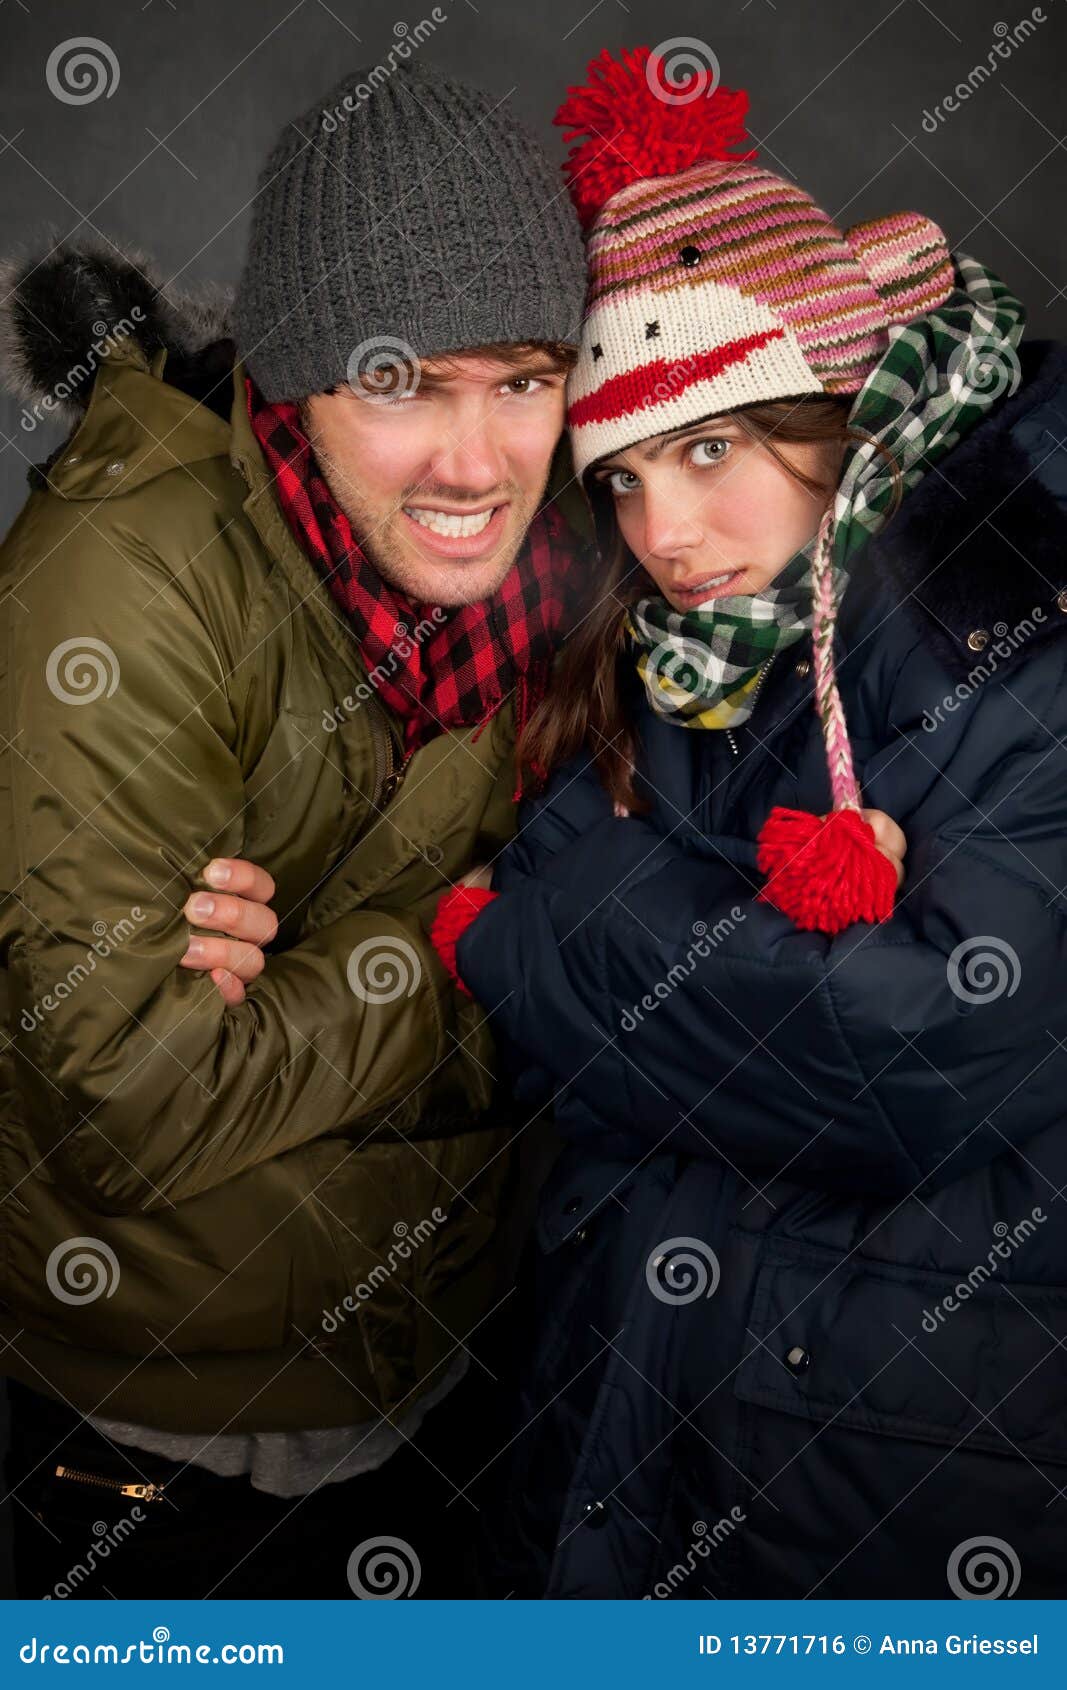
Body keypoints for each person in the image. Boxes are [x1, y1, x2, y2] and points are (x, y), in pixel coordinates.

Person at [428, 46, 1067, 1598]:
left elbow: (924, 1048)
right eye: (627, 478)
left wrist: (533, 940)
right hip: (634, 1411)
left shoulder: (1010, 612)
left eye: (710, 449)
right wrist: (723, 957)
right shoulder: (689, 646)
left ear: (832, 402)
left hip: (875, 1468)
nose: (666, 535)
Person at [0, 61, 588, 1598]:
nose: (476, 461)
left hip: (447, 1389)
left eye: (524, 376)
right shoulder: (126, 585)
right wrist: (485, 940)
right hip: (152, 1446)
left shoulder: (577, 569)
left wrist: (315, 975)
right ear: (296, 370)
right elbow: (142, 1098)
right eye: (401, 380)